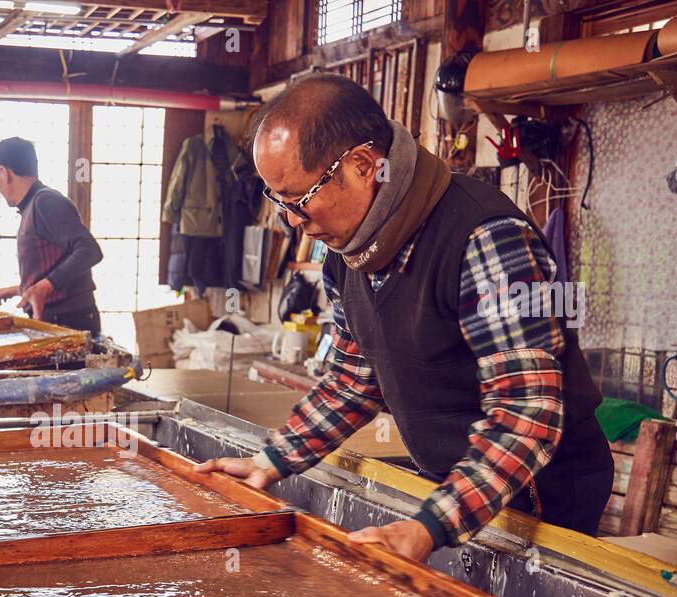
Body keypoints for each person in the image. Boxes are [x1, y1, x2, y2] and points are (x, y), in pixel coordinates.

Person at [196, 73, 613, 562]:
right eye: (279, 201)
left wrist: (429, 527)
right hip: (456, 482)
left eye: (300, 200)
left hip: (540, 487)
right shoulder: (347, 252)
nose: (293, 222)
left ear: (362, 165)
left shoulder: (483, 236)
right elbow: (355, 379)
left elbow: (527, 412)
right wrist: (271, 461)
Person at [0, 137, 104, 335]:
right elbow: (53, 269)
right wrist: (18, 289)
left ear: (4, 173)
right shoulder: (33, 205)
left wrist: (43, 288)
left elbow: (90, 250)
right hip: (59, 319)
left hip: (69, 319)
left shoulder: (45, 202)